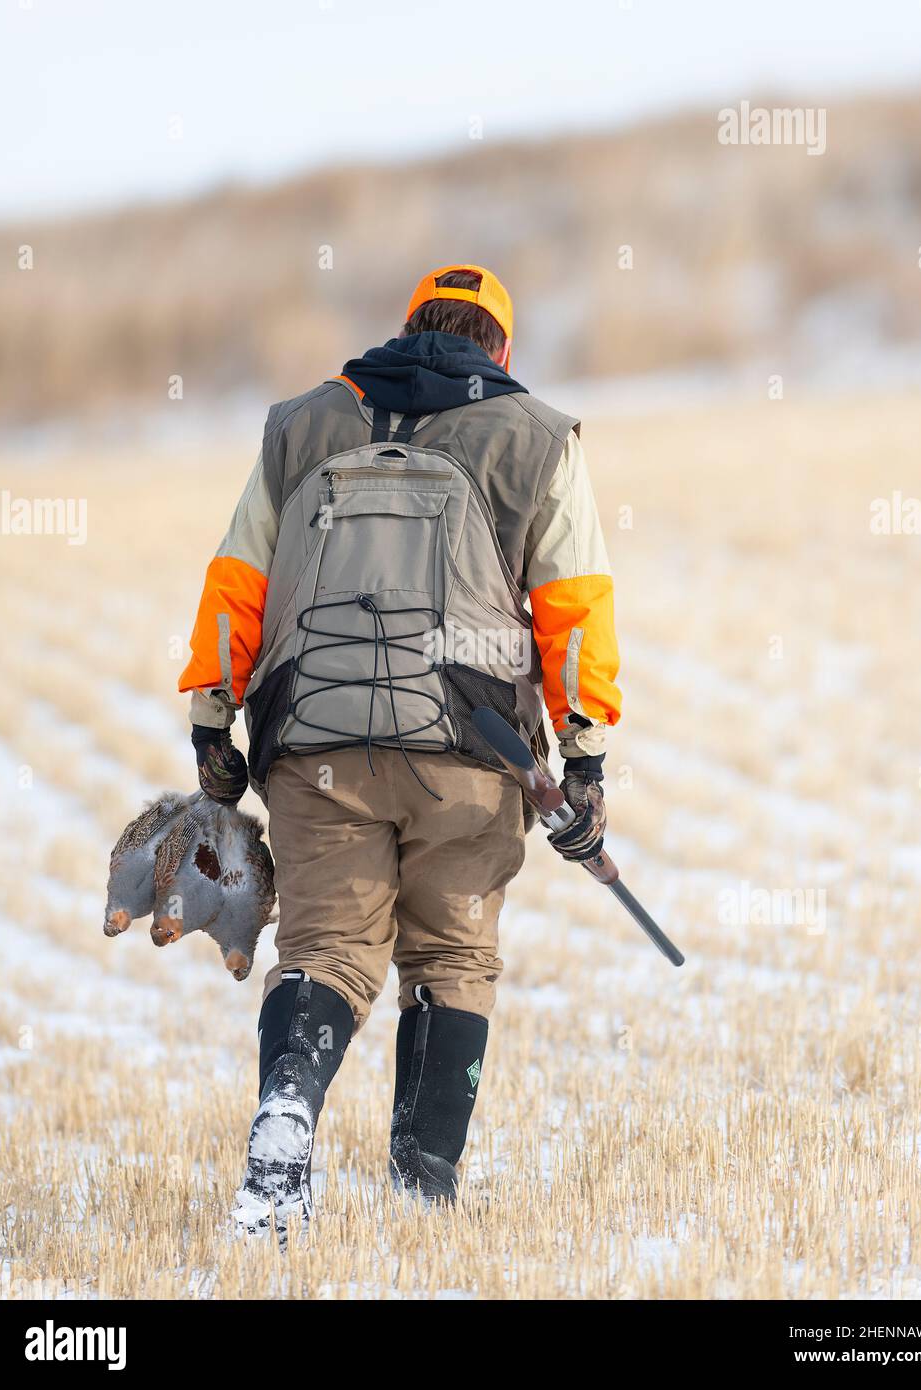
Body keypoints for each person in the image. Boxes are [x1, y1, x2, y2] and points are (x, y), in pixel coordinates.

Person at [178, 264, 621, 1231]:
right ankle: (421, 1196)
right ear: (499, 350)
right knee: (454, 956)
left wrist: (214, 722)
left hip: (313, 743)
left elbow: (235, 584)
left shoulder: (301, 424)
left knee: (327, 950)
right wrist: (583, 762)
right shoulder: (538, 437)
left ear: (409, 327)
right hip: (471, 751)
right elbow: (574, 613)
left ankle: (286, 1113)